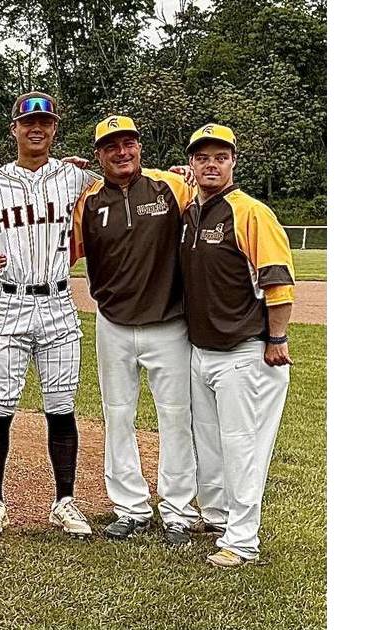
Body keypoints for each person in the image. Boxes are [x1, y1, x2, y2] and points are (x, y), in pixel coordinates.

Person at [0, 92, 98, 539]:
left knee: (61, 407)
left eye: (44, 122)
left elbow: (122, 183)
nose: (35, 129)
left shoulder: (78, 179)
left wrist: (178, 178)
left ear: (55, 129)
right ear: (14, 130)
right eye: (27, 123)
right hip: (10, 302)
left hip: (59, 303)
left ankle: (64, 500)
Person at [70, 115, 200, 545]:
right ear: (99, 155)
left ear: (139, 147)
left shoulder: (173, 187)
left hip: (169, 323)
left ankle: (178, 510)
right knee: (118, 417)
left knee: (176, 418)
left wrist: (192, 173)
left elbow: (214, 201)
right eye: (111, 146)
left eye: (128, 144)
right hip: (113, 323)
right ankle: (130, 508)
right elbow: (60, 254)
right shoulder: (87, 201)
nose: (121, 152)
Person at [179, 124, 295, 568]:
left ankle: (243, 541)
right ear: (192, 163)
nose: (211, 163)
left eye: (220, 156)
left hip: (245, 350)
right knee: (208, 444)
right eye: (203, 156)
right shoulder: (193, 212)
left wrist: (276, 337)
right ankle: (219, 517)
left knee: (242, 447)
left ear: (233, 162)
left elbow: (277, 279)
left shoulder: (250, 212)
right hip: (203, 349)